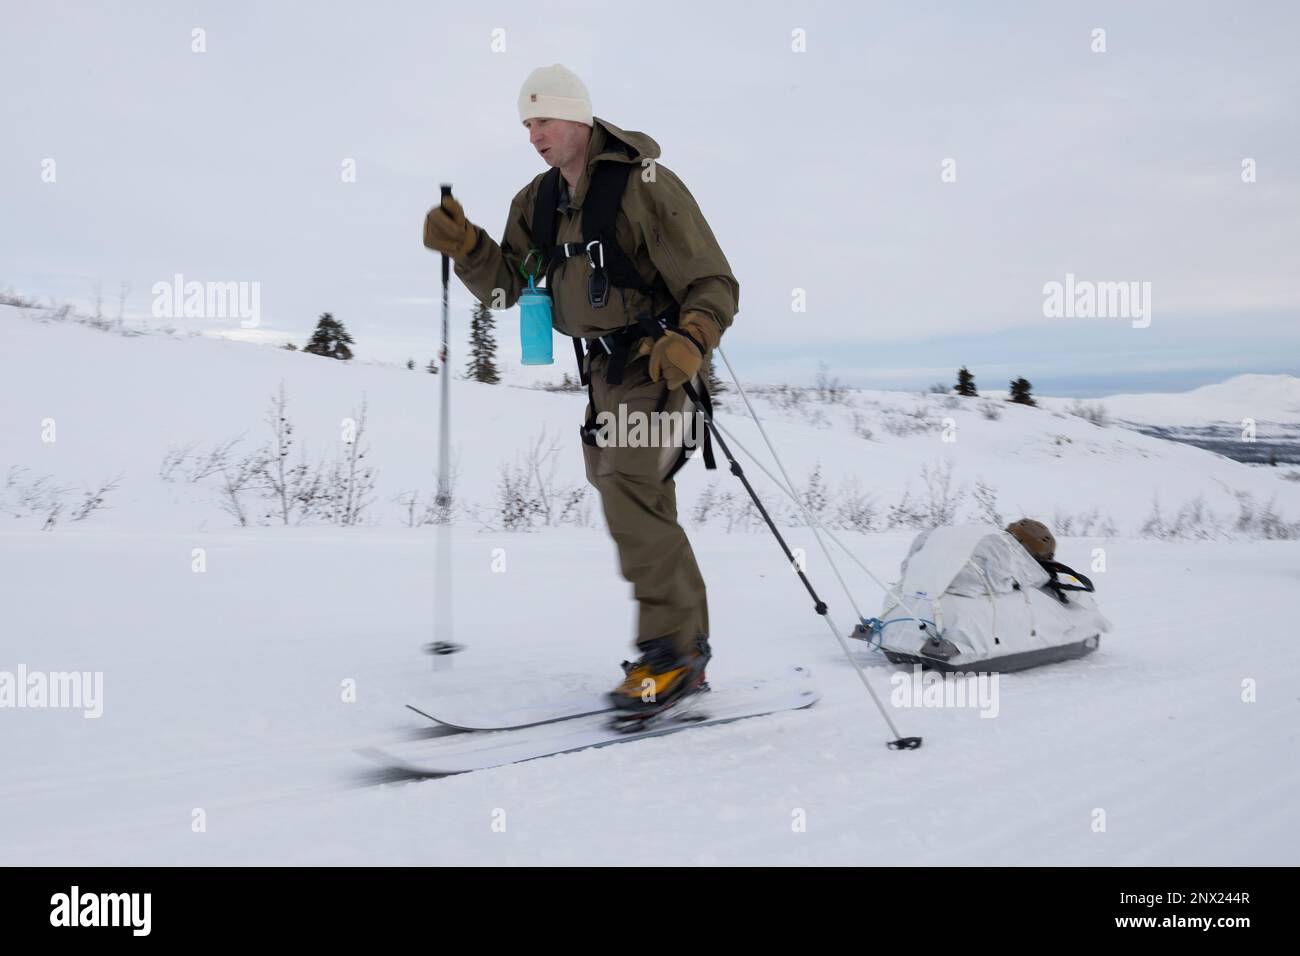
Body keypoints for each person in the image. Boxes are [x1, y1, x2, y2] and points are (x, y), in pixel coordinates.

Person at [422, 64, 739, 716]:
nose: (533, 135)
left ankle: (672, 655)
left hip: (657, 364)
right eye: (526, 124)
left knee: (630, 488)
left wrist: (693, 337)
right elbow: (508, 287)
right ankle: (687, 649)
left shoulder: (645, 186)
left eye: (543, 119)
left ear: (577, 117)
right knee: (633, 495)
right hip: (600, 374)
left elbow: (713, 281)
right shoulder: (537, 201)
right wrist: (468, 246)